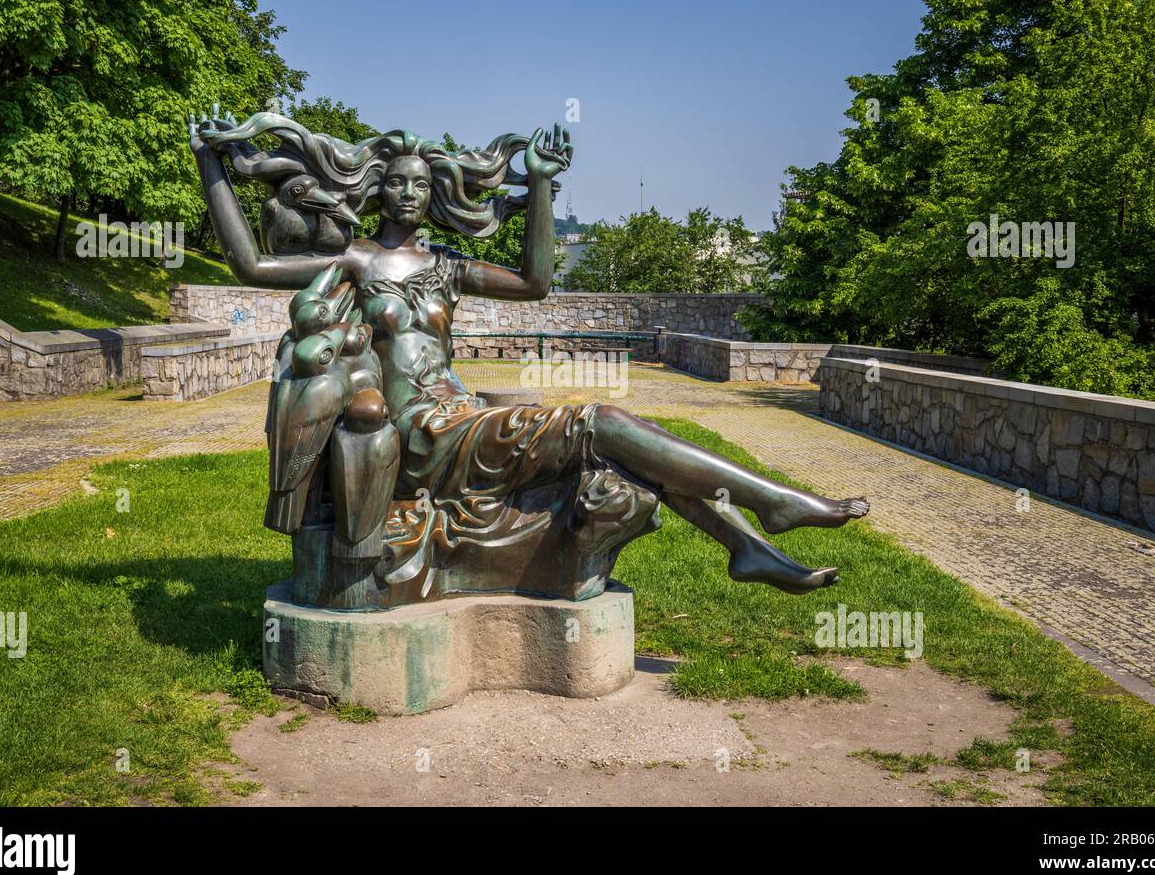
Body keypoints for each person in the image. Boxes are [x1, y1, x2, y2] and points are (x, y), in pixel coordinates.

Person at [190, 111, 868, 594]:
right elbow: (249, 262)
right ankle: (772, 505)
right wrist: (209, 163)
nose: (408, 191)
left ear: (434, 199)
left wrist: (540, 184)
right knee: (601, 423)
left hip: (459, 417)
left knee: (612, 445)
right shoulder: (355, 258)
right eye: (396, 182)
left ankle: (748, 542)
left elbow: (535, 283)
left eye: (421, 185)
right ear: (377, 188)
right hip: (419, 438)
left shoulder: (446, 264)